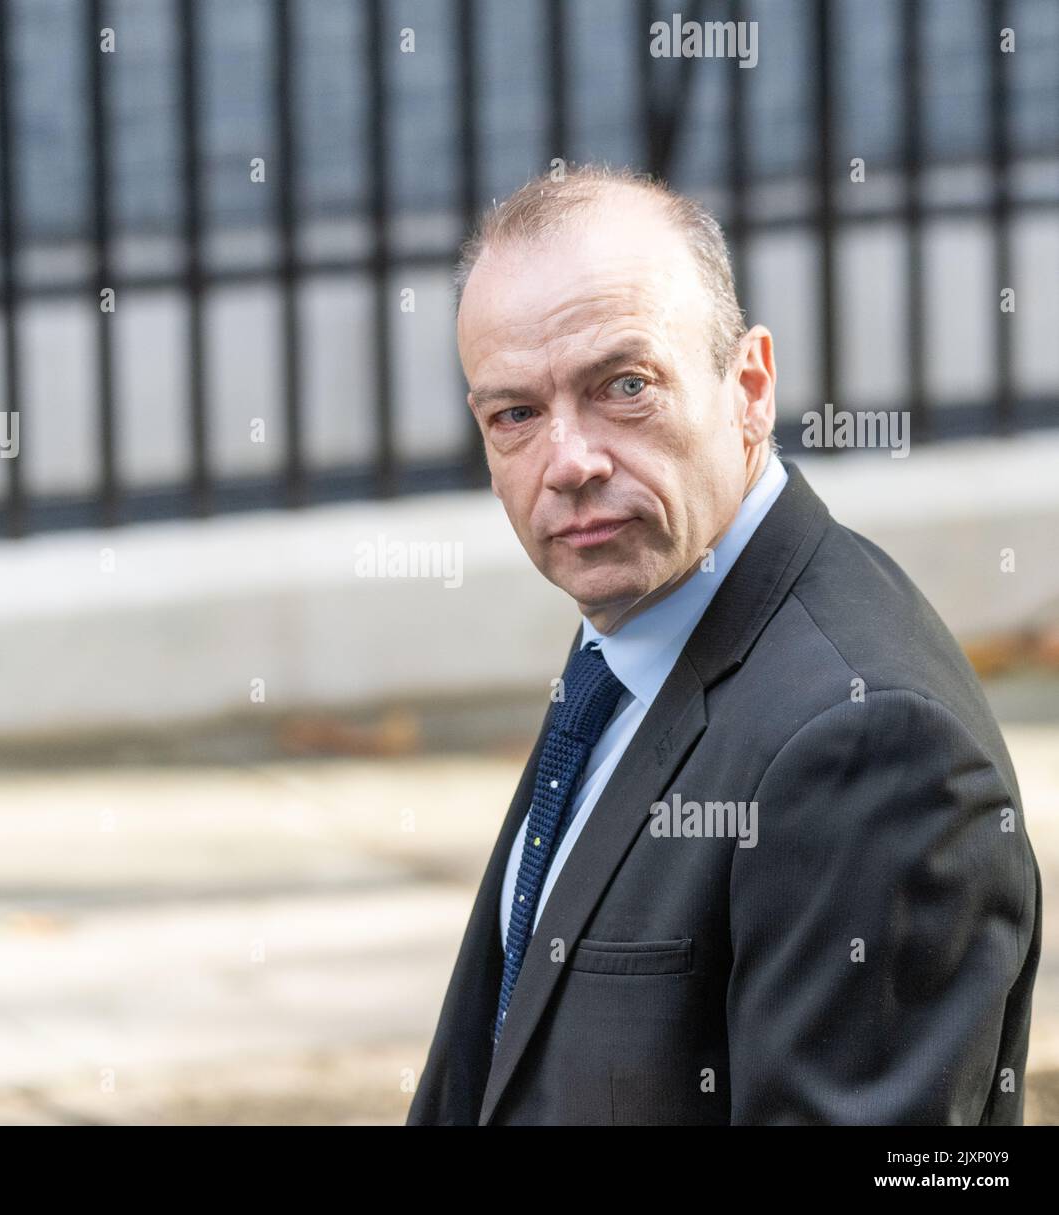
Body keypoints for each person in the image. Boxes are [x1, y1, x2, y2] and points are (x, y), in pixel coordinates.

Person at [405, 163, 1041, 1126]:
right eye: (516, 415)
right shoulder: (630, 645)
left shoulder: (870, 745)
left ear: (749, 388)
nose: (569, 462)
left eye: (624, 386)